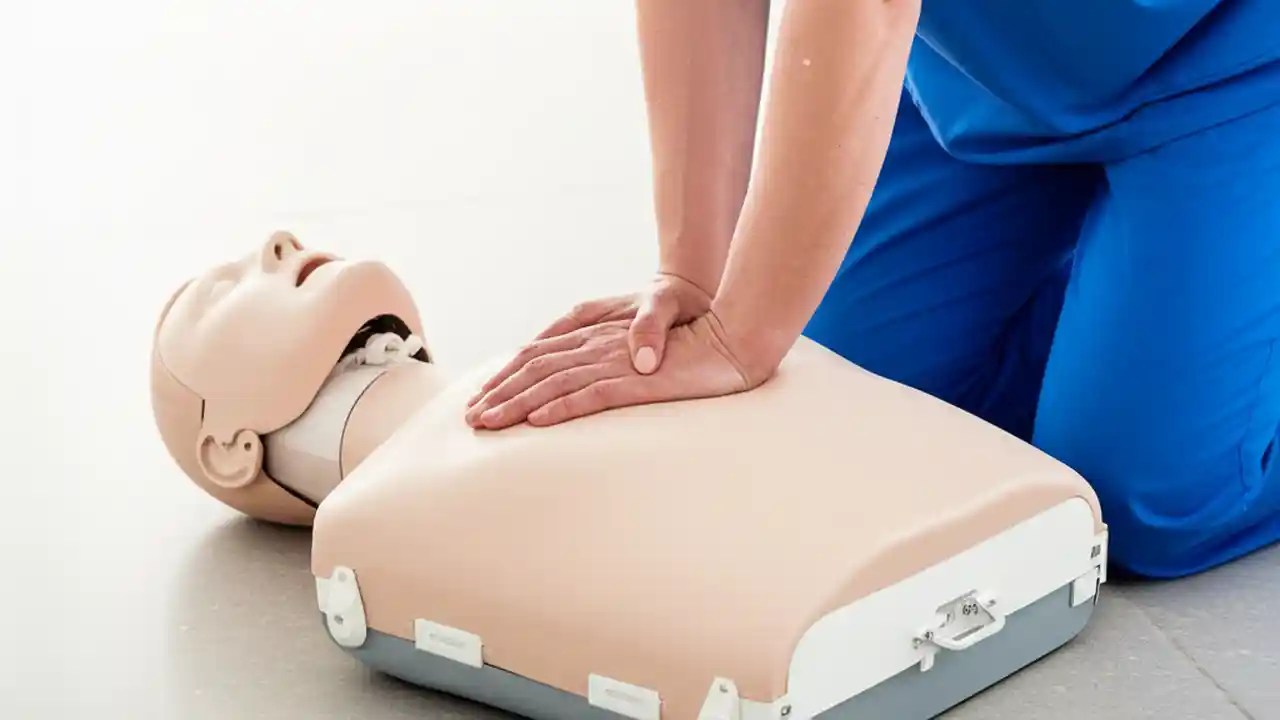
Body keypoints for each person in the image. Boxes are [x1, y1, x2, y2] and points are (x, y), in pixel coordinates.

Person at [464, 0, 1280, 579]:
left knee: (1141, 498)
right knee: (863, 409)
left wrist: (741, 336)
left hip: (1240, 63)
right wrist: (697, 274)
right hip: (985, 74)